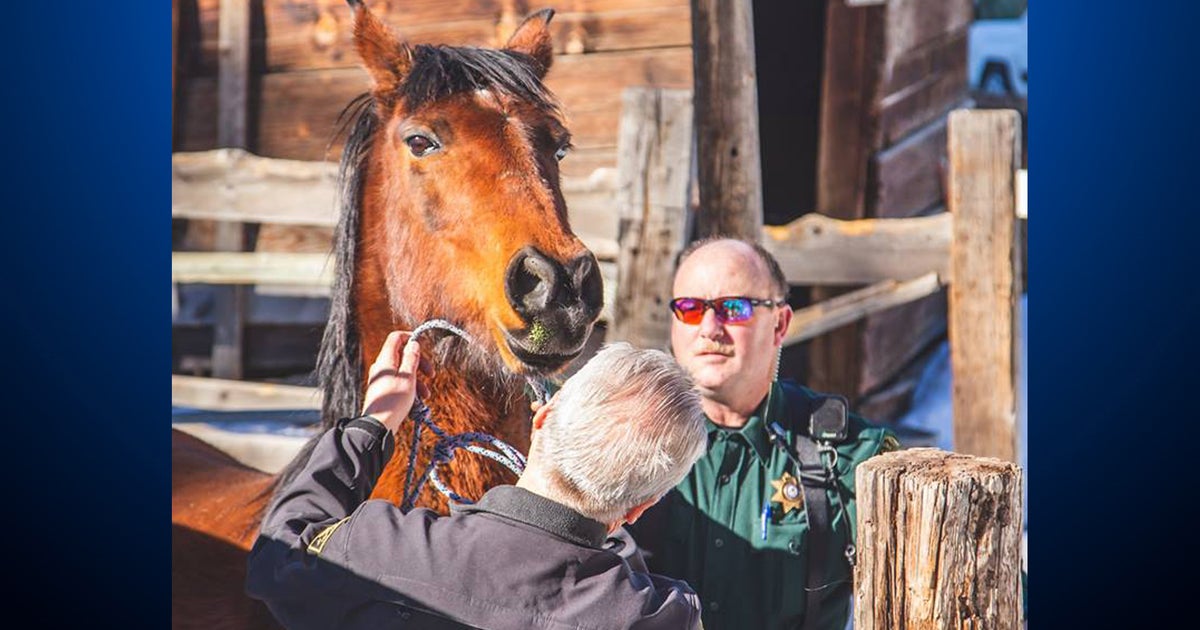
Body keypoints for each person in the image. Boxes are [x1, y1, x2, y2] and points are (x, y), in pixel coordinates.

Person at [246, 333, 709, 629]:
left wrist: (375, 422)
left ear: (542, 418)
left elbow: (280, 547)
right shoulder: (658, 616)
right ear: (639, 509)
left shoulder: (376, 548)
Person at [627, 237, 900, 630]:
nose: (709, 328)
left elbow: (961, 577)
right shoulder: (627, 441)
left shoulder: (843, 455)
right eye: (690, 308)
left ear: (780, 323)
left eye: (732, 309)